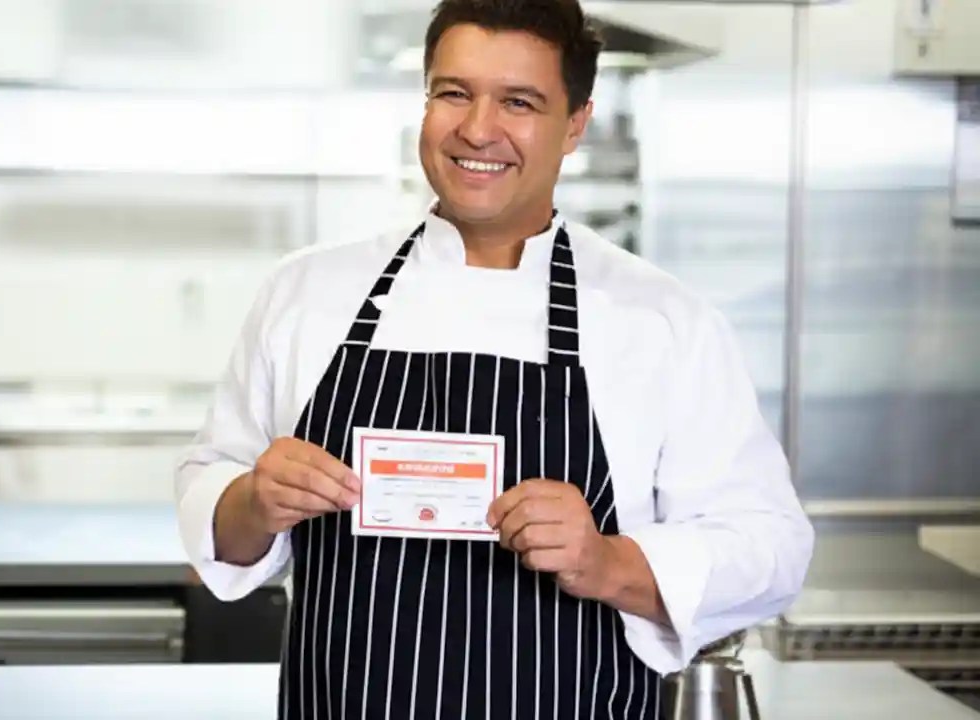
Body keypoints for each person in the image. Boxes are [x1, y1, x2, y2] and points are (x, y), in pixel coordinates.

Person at [174, 0, 814, 717]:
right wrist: (256, 502)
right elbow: (214, 498)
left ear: (576, 123)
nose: (477, 129)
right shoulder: (306, 293)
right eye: (453, 93)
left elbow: (771, 547)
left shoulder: (663, 321)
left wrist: (607, 562)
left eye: (519, 101)